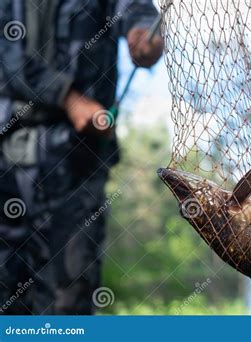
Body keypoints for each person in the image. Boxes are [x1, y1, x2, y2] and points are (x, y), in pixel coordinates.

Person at [0, 0, 164, 314]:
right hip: (6, 165)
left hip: (77, 162)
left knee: (70, 300)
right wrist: (68, 99)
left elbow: (134, 10)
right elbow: (8, 56)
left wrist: (143, 34)